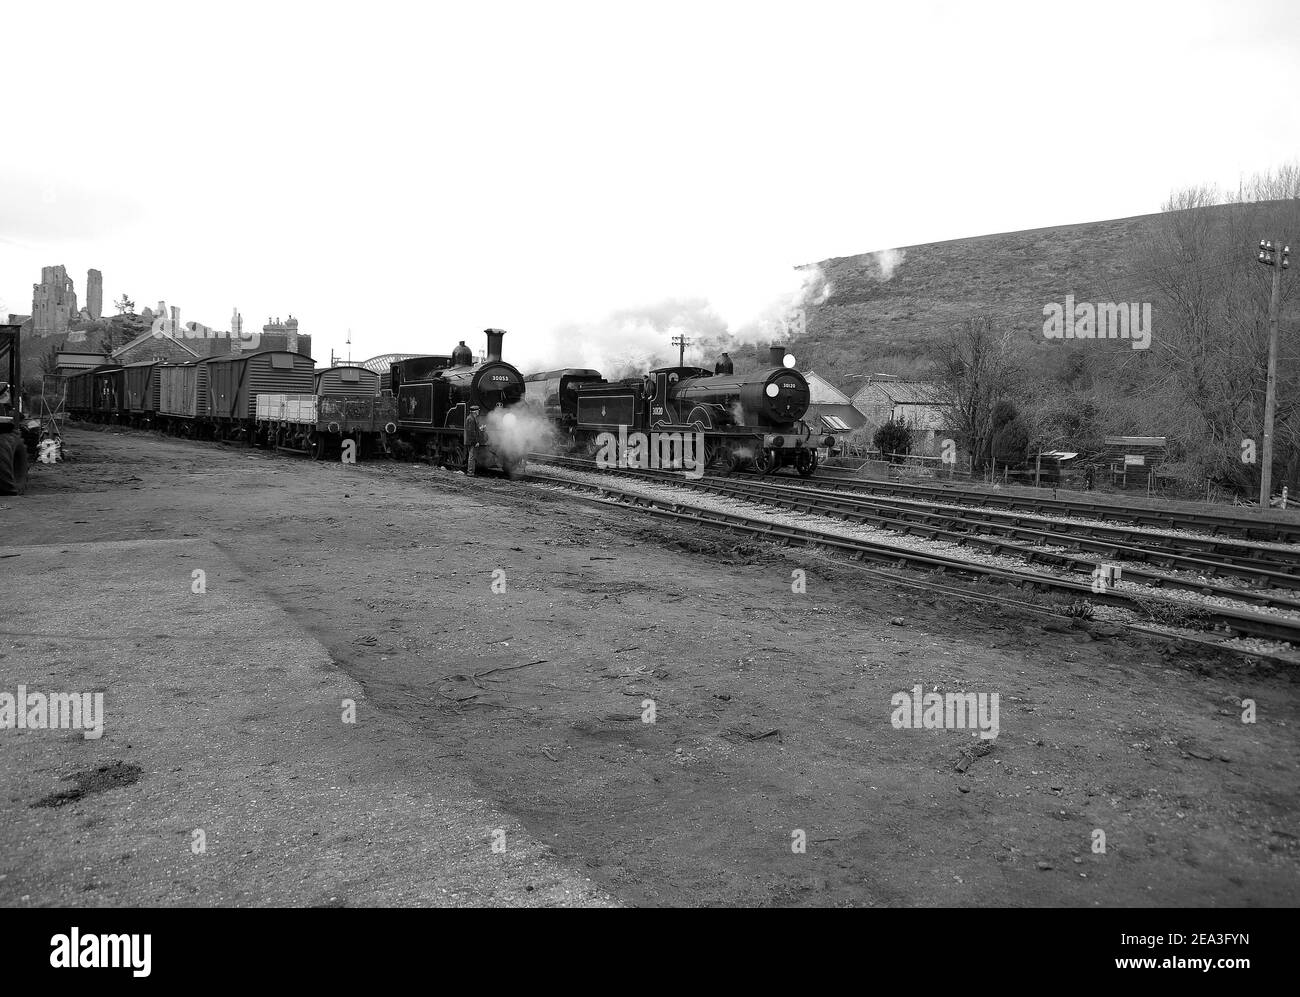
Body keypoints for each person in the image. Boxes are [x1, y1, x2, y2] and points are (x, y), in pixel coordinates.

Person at [464, 405, 483, 476]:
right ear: (475, 411)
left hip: (471, 440)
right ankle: (470, 472)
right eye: (478, 411)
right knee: (471, 457)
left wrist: (480, 429)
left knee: (472, 456)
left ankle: (471, 472)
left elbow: (474, 430)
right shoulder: (471, 419)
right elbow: (471, 432)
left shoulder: (472, 418)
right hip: (471, 441)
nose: (479, 412)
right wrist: (476, 442)